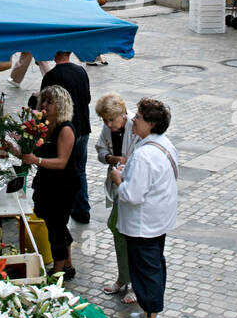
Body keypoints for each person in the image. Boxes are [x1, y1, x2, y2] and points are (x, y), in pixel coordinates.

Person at [108, 98, 178, 318]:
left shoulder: (145, 154)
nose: (133, 119)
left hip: (143, 224)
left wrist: (118, 179)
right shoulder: (163, 144)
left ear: (152, 124)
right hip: (158, 219)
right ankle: (151, 315)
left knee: (146, 271)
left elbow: (132, 195)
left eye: (138, 116)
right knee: (155, 266)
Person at [8, 85, 78, 278]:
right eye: (44, 101)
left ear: (61, 105)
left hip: (62, 186)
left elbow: (62, 162)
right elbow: (32, 153)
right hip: (46, 182)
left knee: (55, 227)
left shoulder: (65, 129)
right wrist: (13, 149)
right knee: (54, 223)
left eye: (50, 102)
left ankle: (57, 272)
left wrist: (36, 160)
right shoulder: (44, 126)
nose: (45, 105)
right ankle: (68, 264)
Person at [94, 93, 139, 305]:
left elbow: (141, 158)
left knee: (130, 235)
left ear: (122, 115)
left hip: (132, 187)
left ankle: (135, 284)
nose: (108, 124)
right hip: (118, 185)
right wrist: (112, 159)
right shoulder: (108, 127)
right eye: (105, 120)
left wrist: (126, 164)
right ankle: (124, 277)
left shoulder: (135, 127)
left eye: (111, 120)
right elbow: (100, 149)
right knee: (117, 228)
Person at [41, 52, 92, 224]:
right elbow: (88, 98)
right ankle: (82, 209)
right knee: (80, 169)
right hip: (83, 127)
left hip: (66, 130)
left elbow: (43, 105)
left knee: (66, 170)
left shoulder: (52, 76)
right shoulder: (81, 71)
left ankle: (67, 207)